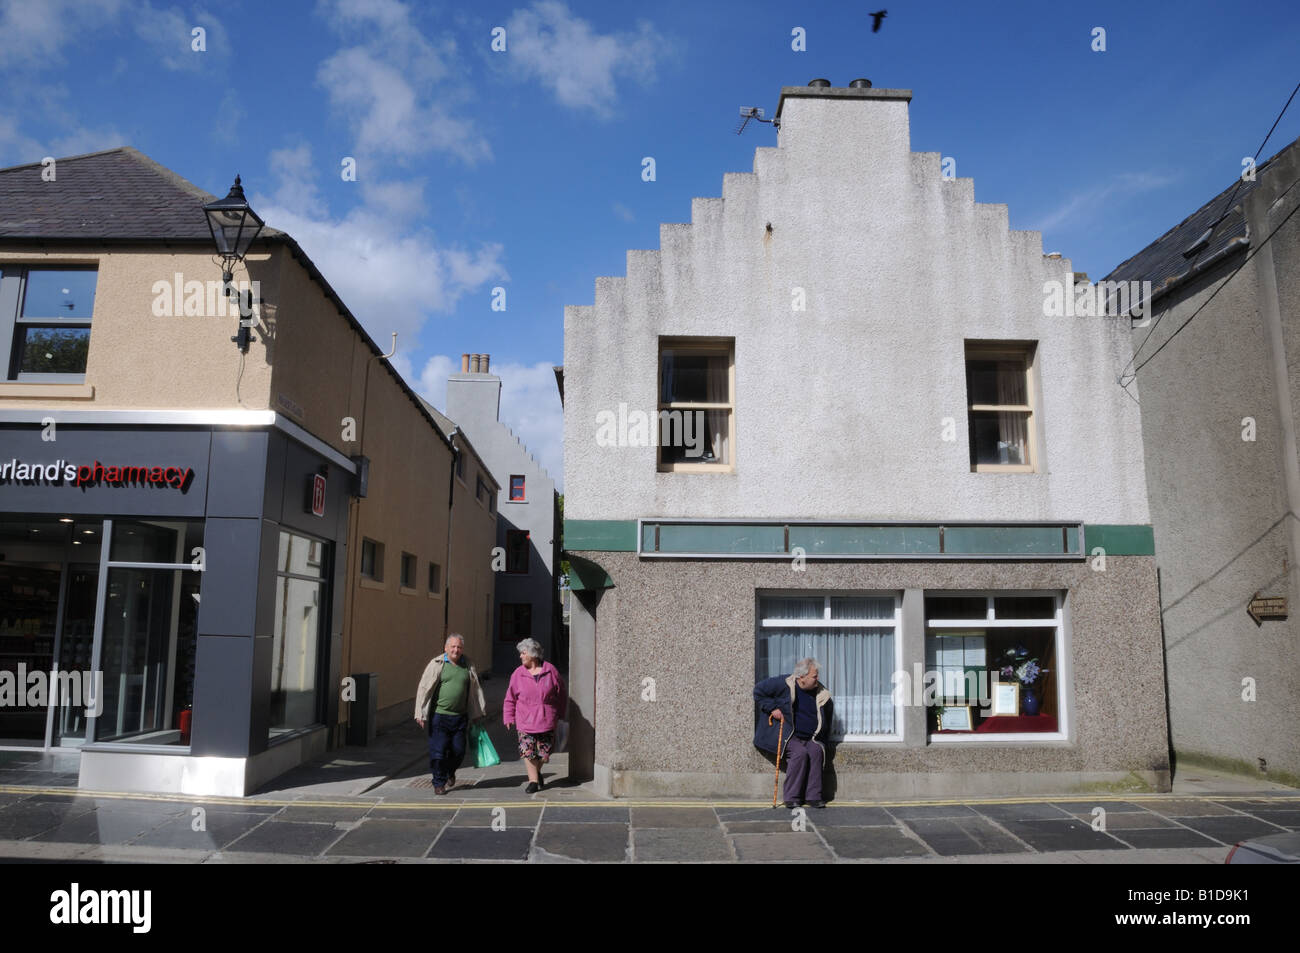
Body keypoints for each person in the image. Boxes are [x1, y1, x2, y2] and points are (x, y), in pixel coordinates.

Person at [753, 658, 833, 808]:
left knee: (816, 751)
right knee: (799, 753)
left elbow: (827, 715)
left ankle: (813, 796)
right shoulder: (783, 684)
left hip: (811, 737)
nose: (818, 679)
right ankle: (792, 797)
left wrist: (823, 737)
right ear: (801, 677)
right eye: (814, 676)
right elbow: (758, 691)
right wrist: (772, 709)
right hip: (789, 735)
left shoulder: (821, 692)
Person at [414, 633, 486, 795]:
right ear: (446, 648)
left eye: (459, 647)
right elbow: (424, 688)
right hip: (439, 716)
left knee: (459, 751)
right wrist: (420, 713)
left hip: (460, 717)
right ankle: (439, 783)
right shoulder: (436, 664)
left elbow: (476, 690)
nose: (456, 650)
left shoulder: (468, 664)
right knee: (438, 752)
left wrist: (478, 712)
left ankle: (449, 772)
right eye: (453, 646)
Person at [502, 638, 567, 794]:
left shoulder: (550, 670)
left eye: (523, 653)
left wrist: (561, 713)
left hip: (547, 719)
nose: (520, 656)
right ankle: (533, 781)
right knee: (528, 750)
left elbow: (561, 694)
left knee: (545, 752)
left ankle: (536, 772)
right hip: (525, 720)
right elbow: (510, 697)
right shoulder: (518, 674)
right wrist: (508, 717)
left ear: (533, 654)